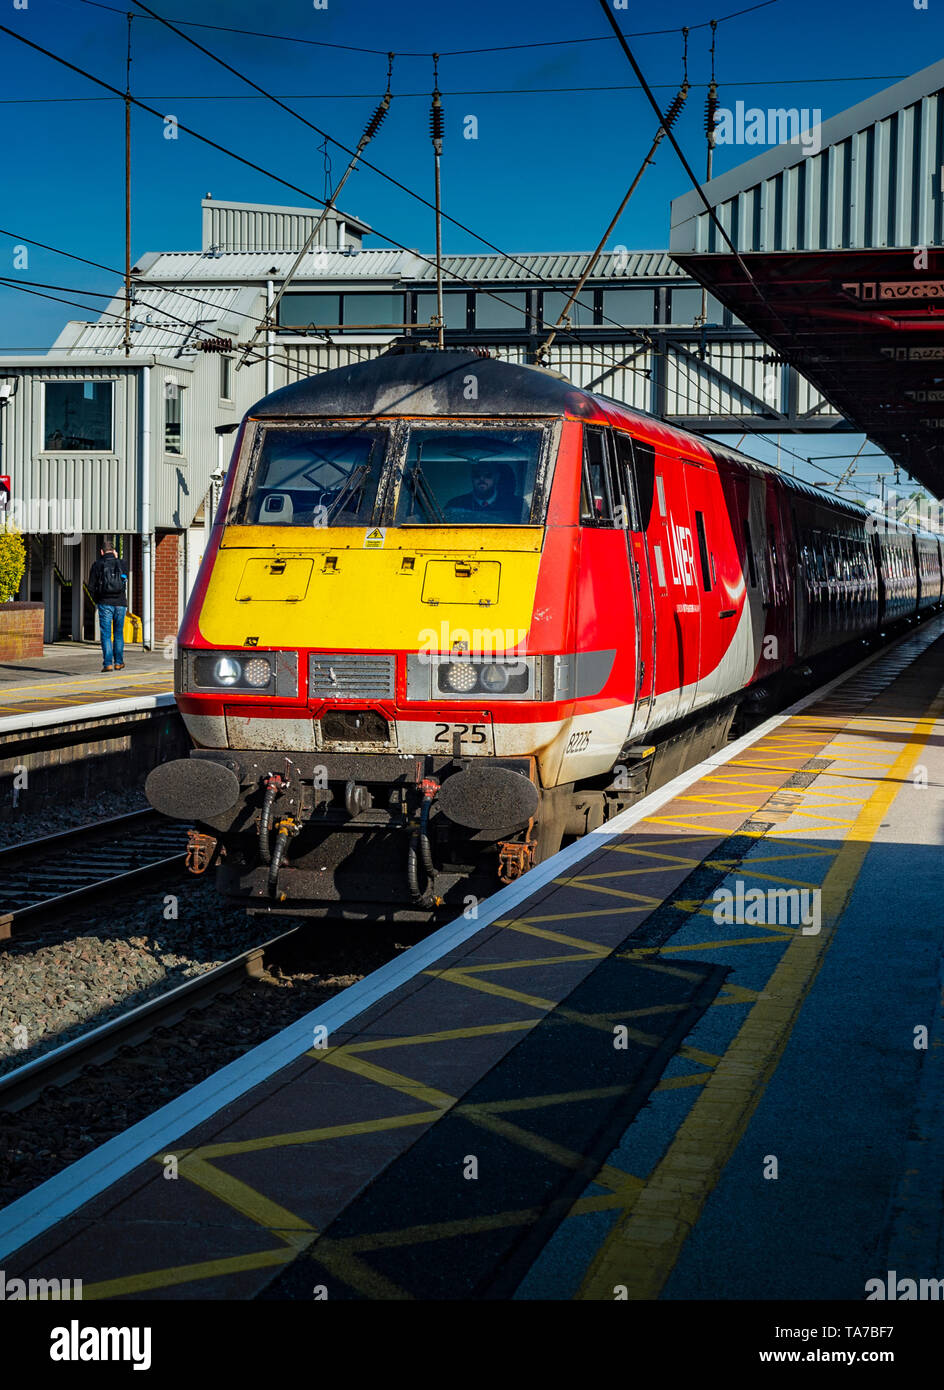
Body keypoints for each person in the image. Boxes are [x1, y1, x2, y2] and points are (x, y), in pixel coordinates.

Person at [89, 537, 128, 672]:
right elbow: (124, 580)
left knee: (106, 634)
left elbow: (91, 587)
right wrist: (117, 559)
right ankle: (118, 662)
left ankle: (107, 664)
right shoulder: (121, 564)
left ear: (102, 552)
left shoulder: (97, 565)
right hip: (120, 603)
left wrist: (97, 600)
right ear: (114, 551)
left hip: (104, 603)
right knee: (118, 633)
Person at [445, 461, 522, 522]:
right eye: (477, 475)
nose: (482, 479)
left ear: (497, 477)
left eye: (488, 475)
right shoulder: (455, 505)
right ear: (472, 477)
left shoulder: (516, 505)